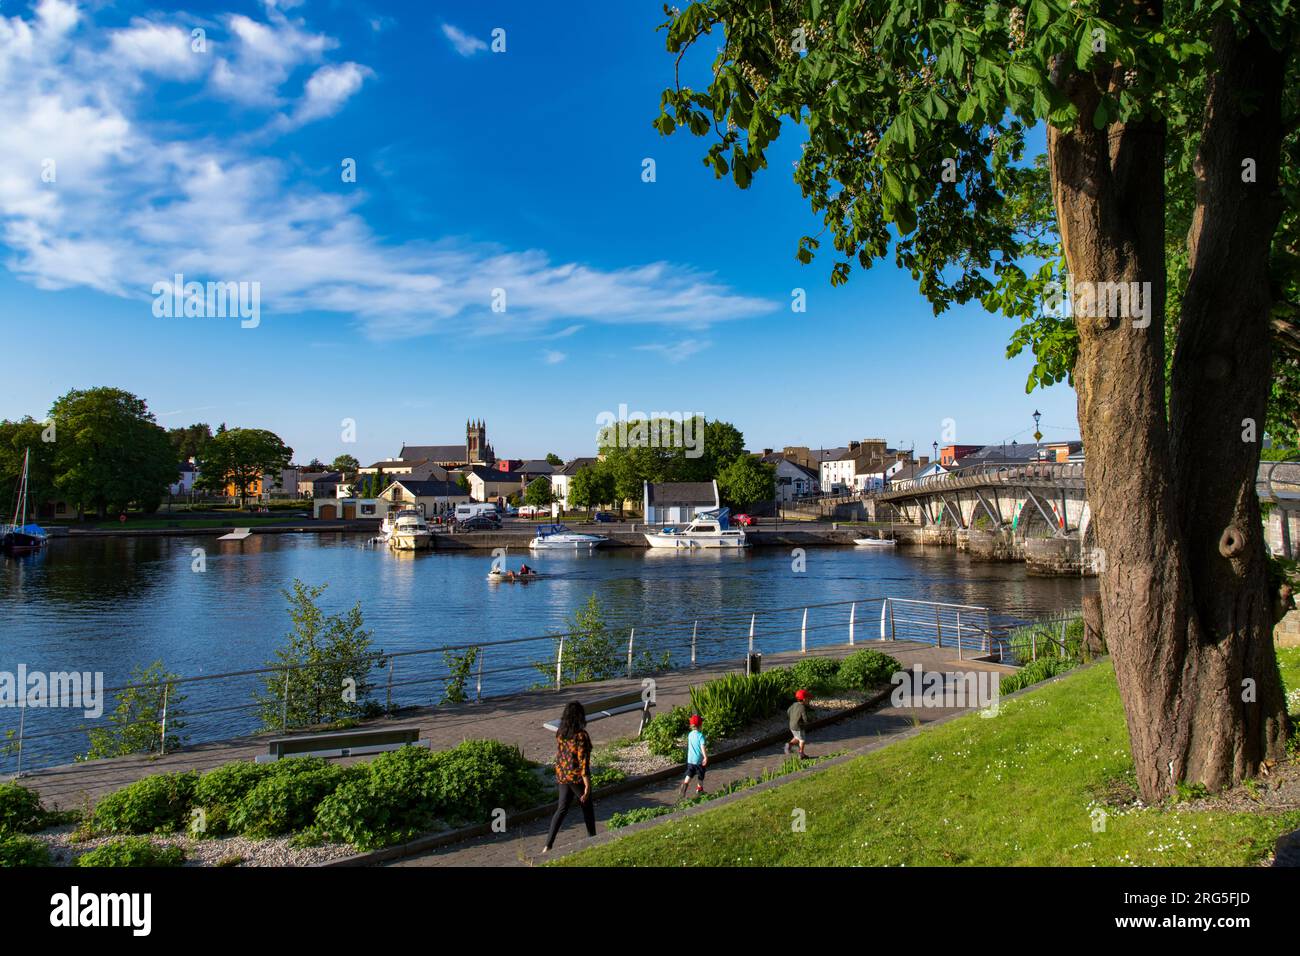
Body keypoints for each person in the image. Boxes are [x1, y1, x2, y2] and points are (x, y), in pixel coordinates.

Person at [542, 701, 596, 853]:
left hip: (562, 775)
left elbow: (561, 754)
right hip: (576, 776)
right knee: (587, 805)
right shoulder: (581, 736)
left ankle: (548, 845)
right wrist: (587, 785)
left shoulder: (560, 733)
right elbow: (583, 761)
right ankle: (593, 837)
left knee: (562, 809)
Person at [678, 714, 708, 800]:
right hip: (699, 760)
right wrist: (705, 757)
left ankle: (684, 785)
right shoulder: (700, 736)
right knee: (700, 775)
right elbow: (702, 747)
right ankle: (700, 790)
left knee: (689, 774)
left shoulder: (690, 734)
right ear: (700, 725)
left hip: (690, 760)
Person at [785, 688, 812, 758]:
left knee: (797, 737)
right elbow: (805, 718)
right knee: (802, 740)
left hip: (791, 725)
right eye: (808, 699)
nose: (809, 700)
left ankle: (788, 745)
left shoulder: (794, 704)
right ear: (804, 699)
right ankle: (801, 754)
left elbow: (788, 712)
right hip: (798, 726)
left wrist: (792, 718)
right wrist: (808, 721)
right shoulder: (803, 707)